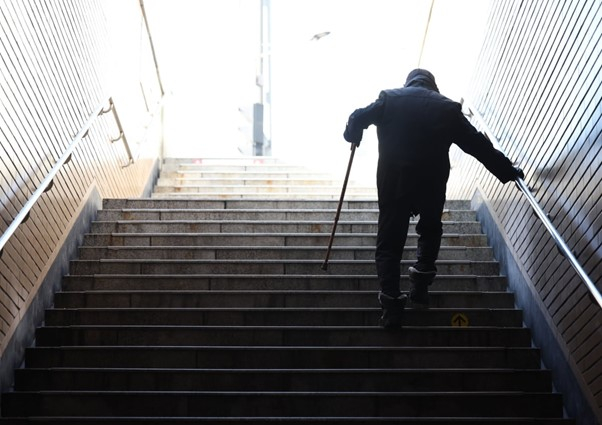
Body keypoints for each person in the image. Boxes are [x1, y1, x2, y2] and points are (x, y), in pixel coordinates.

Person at [343, 68, 523, 329]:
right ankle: (420, 284)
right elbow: (478, 146)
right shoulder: (447, 109)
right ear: (433, 86)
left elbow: (357, 116)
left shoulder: (390, 99)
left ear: (408, 83)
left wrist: (353, 133)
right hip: (431, 182)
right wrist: (508, 171)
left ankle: (392, 307)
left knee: (389, 244)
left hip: (394, 182)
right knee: (430, 229)